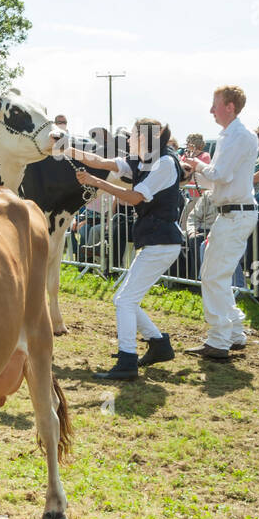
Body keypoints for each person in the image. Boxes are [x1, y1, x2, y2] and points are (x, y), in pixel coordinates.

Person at [69, 119, 184, 379]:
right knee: (125, 299)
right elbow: (100, 162)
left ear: (145, 137)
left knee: (124, 300)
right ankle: (158, 344)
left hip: (162, 242)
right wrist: (66, 149)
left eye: (132, 135)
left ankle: (128, 361)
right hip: (156, 241)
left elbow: (134, 197)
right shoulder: (143, 160)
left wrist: (96, 183)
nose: (129, 140)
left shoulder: (164, 163)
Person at [179, 85, 259, 360]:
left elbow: (220, 174)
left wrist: (195, 164)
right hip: (234, 212)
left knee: (212, 276)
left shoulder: (235, 135)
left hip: (235, 213)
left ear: (230, 106)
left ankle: (219, 339)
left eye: (215, 104)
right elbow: (222, 178)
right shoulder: (235, 134)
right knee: (218, 276)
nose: (211, 110)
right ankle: (233, 332)